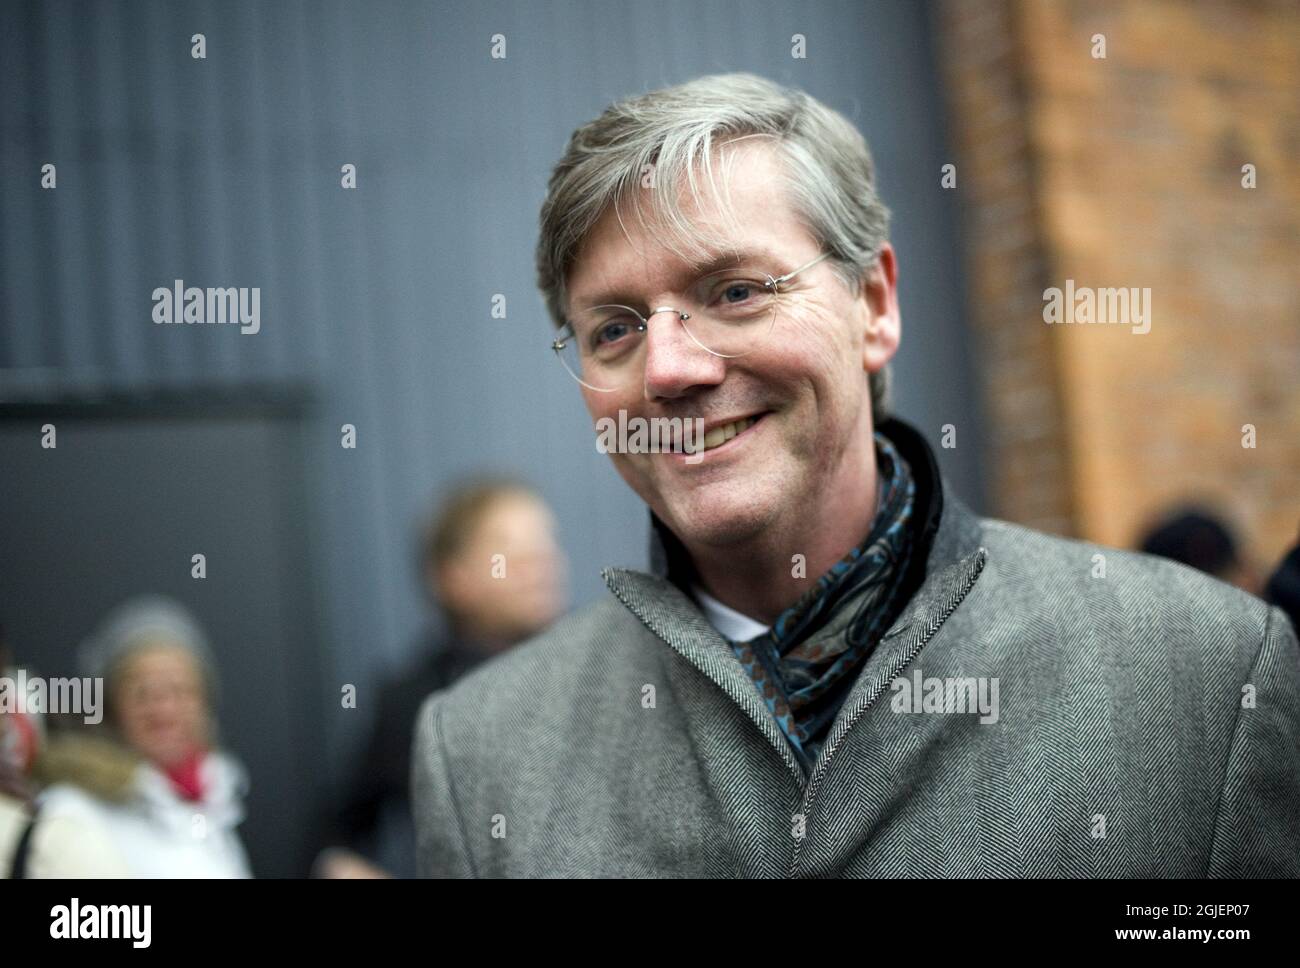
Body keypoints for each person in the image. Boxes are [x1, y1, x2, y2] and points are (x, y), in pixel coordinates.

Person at [411, 73, 1300, 878]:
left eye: (735, 291)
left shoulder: (1203, 680)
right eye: (615, 328)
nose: (668, 369)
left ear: (873, 305)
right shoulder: (483, 757)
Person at [331, 478, 567, 876]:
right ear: (452, 576)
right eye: (507, 547)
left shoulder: (601, 666)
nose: (539, 560)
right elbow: (338, 831)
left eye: (545, 541)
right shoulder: (412, 701)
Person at [35, 597, 252, 877]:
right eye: (144, 693)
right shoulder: (73, 814)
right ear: (111, 707)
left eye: (180, 691)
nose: (164, 709)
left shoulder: (216, 804)